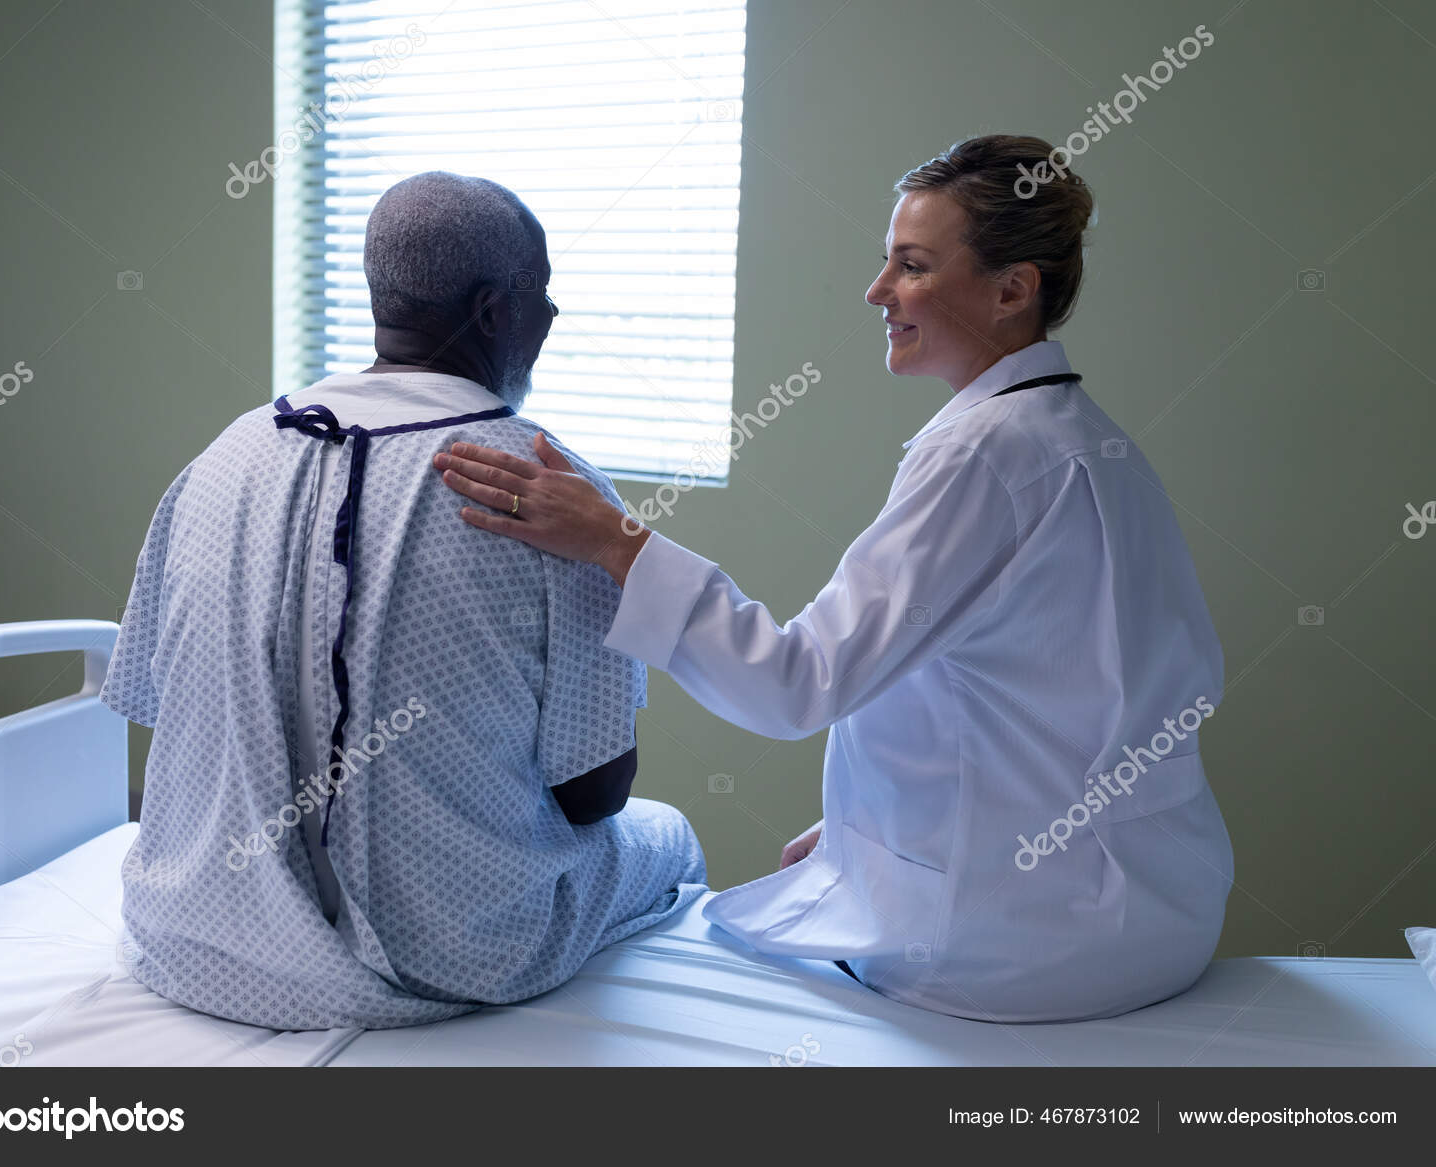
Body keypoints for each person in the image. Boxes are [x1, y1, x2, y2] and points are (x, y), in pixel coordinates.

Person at [432, 136, 1234, 1023]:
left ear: (1013, 289)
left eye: (912, 265)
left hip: (1019, 951)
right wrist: (868, 830)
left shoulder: (987, 455)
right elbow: (1089, 700)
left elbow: (796, 685)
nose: (878, 290)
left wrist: (616, 542)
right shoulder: (1089, 441)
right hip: (1157, 915)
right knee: (796, 874)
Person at [101, 171, 706, 1032]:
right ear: (496, 312)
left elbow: (168, 717)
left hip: (193, 938)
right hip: (454, 955)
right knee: (667, 832)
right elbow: (594, 794)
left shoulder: (223, 457)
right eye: (542, 294)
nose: (554, 317)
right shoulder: (545, 492)